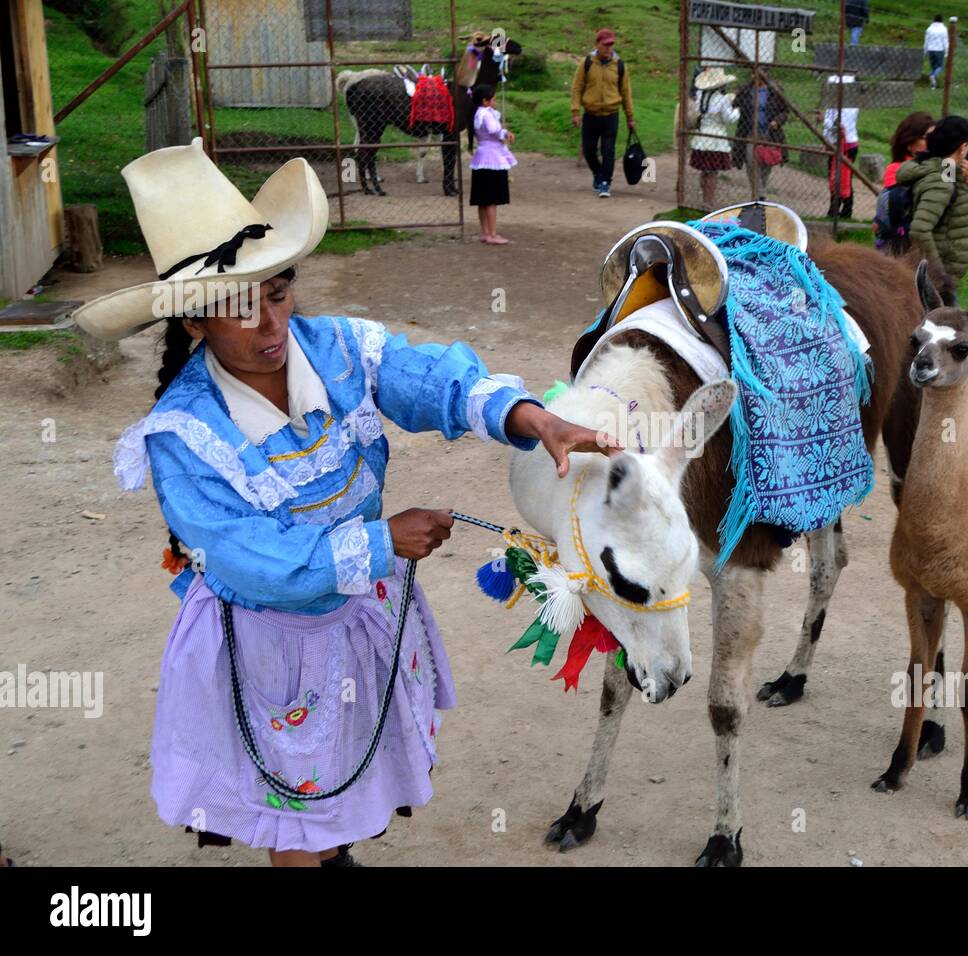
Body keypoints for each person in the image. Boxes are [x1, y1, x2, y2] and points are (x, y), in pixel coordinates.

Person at [70, 139, 616, 867]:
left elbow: (430, 379)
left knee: (338, 770)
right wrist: (381, 541)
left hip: (356, 613)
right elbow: (246, 558)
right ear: (193, 322)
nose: (271, 325)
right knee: (295, 805)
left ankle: (334, 854)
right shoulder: (181, 435)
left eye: (278, 291)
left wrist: (531, 417)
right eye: (238, 308)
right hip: (270, 644)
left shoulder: (339, 349)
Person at [894, 114, 968, 298]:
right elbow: (920, 229)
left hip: (932, 276)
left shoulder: (940, 168)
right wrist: (938, 273)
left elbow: (950, 204)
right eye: (967, 144)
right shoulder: (942, 181)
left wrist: (964, 179)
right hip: (935, 280)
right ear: (962, 148)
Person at [570, 28, 636, 199]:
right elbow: (577, 88)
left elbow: (626, 92)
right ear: (597, 44)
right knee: (589, 150)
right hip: (591, 114)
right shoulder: (586, 64)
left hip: (611, 114)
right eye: (605, 45)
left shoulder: (620, 66)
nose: (608, 48)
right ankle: (598, 173)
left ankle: (605, 182)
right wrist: (575, 111)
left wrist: (630, 117)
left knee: (608, 150)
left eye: (611, 45)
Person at [688, 67, 740, 209]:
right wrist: (737, 111)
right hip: (716, 138)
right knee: (713, 172)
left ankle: (704, 199)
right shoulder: (721, 100)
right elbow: (728, 118)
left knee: (704, 170)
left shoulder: (701, 97)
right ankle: (709, 203)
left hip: (703, 135)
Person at [470, 85, 516, 245]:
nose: (495, 102)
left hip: (480, 158)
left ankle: (484, 232)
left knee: (482, 199)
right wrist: (505, 133)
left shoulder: (476, 113)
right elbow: (494, 130)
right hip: (492, 158)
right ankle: (492, 234)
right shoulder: (487, 114)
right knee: (491, 199)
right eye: (493, 99)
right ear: (485, 101)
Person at [734, 72, 789, 199]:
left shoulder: (774, 92)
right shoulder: (747, 91)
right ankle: (760, 195)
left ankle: (759, 194)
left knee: (766, 164)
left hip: (769, 135)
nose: (753, 76)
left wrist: (777, 121)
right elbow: (735, 104)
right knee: (751, 164)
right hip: (750, 133)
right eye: (752, 73)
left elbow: (785, 111)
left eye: (757, 74)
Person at [823, 74, 860, 217]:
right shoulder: (835, 102)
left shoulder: (848, 104)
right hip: (838, 142)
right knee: (838, 176)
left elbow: (838, 123)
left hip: (846, 143)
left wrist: (826, 126)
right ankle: (843, 210)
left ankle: (839, 211)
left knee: (840, 177)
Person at [923, 15, 948, 90]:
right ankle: (933, 75)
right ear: (942, 20)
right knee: (940, 66)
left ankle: (933, 85)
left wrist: (924, 51)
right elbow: (945, 41)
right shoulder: (943, 29)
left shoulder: (929, 29)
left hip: (931, 49)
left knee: (933, 66)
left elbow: (926, 41)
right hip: (939, 50)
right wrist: (947, 51)